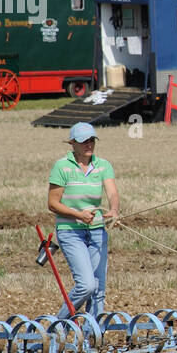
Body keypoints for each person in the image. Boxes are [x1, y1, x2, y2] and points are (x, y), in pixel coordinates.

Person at [47, 122, 119, 320]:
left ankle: (92, 338)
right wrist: (79, 215)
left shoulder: (103, 165)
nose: (89, 144)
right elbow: (52, 204)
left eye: (91, 140)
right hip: (70, 231)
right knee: (87, 285)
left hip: (97, 231)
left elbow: (112, 193)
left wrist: (113, 210)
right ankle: (57, 324)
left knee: (98, 289)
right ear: (73, 143)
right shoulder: (62, 166)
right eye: (83, 141)